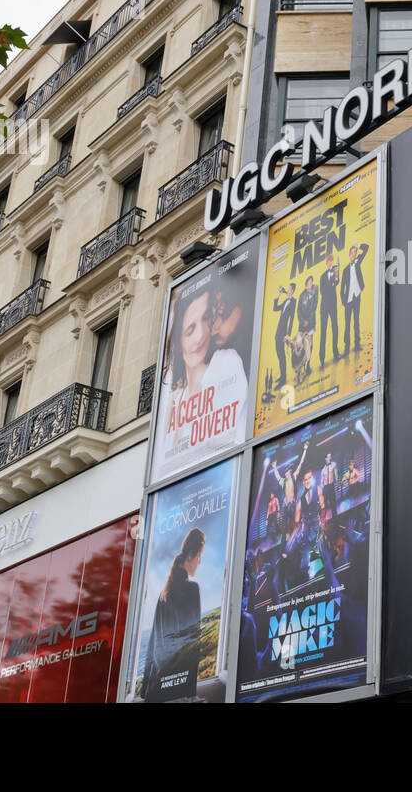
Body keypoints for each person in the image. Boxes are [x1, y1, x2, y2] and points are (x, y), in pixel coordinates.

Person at [158, 275, 247, 477]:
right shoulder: (173, 395)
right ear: (178, 343)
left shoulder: (226, 362)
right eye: (190, 330)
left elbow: (234, 441)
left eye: (206, 318)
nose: (201, 335)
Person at [142, 527, 205, 702]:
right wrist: (190, 695)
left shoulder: (163, 594)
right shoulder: (192, 589)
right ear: (191, 556)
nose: (200, 562)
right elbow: (193, 643)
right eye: (200, 555)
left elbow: (152, 644)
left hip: (156, 689)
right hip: (178, 691)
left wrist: (144, 691)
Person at [340, 243, 370, 352]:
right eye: (352, 253)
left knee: (356, 321)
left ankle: (357, 344)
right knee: (347, 324)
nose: (353, 254)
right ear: (349, 255)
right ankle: (346, 347)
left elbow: (366, 248)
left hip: (357, 296)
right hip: (348, 300)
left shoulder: (358, 262)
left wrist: (358, 246)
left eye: (355, 252)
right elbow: (342, 287)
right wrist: (343, 301)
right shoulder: (345, 270)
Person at [271, 283, 297, 387]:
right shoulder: (286, 301)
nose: (288, 290)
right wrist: (279, 295)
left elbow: (292, 318)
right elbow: (275, 308)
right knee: (279, 353)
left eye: (290, 289)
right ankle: (282, 376)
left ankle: (283, 378)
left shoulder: (293, 301)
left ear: (292, 291)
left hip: (284, 331)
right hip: (278, 330)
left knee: (282, 354)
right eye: (288, 289)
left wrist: (288, 334)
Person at [318, 258, 340, 366]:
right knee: (323, 332)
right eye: (328, 261)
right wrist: (330, 286)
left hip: (332, 305)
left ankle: (336, 354)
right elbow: (322, 290)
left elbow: (336, 282)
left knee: (335, 327)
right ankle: (321, 358)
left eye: (331, 261)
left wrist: (336, 275)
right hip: (324, 306)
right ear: (326, 263)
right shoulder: (322, 276)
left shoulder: (335, 271)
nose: (330, 263)